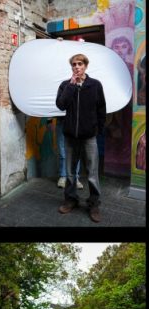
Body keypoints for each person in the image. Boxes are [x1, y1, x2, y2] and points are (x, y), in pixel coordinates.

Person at [55, 53, 106, 223]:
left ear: (85, 66)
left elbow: (101, 109)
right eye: (74, 64)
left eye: (80, 64)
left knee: (92, 173)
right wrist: (71, 85)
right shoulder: (65, 85)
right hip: (70, 136)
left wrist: (97, 129)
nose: (77, 67)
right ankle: (71, 200)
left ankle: (94, 204)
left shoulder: (95, 85)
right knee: (70, 173)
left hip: (89, 137)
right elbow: (61, 105)